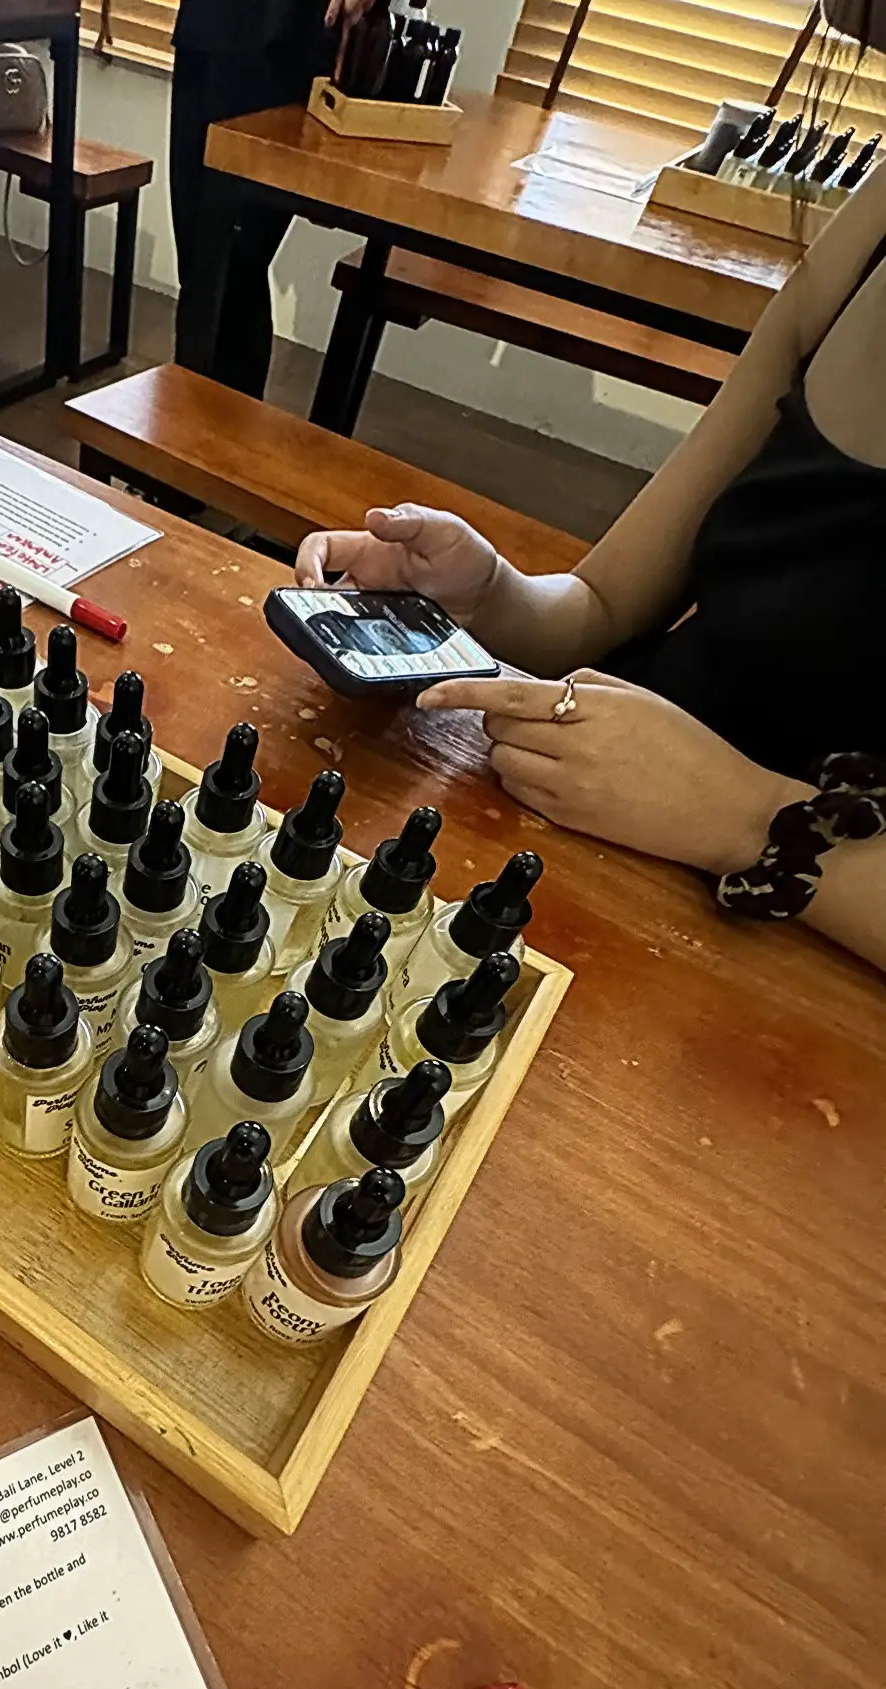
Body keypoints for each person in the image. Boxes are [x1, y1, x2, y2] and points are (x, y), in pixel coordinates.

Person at [295, 12, 886, 972]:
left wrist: (744, 817)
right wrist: (487, 595)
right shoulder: (868, 231)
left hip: (781, 971)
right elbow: (603, 608)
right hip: (586, 848)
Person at [171, 0, 373, 395]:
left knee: (231, 265)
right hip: (212, 24)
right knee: (203, 263)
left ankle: (207, 420)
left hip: (288, 33)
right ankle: (199, 418)